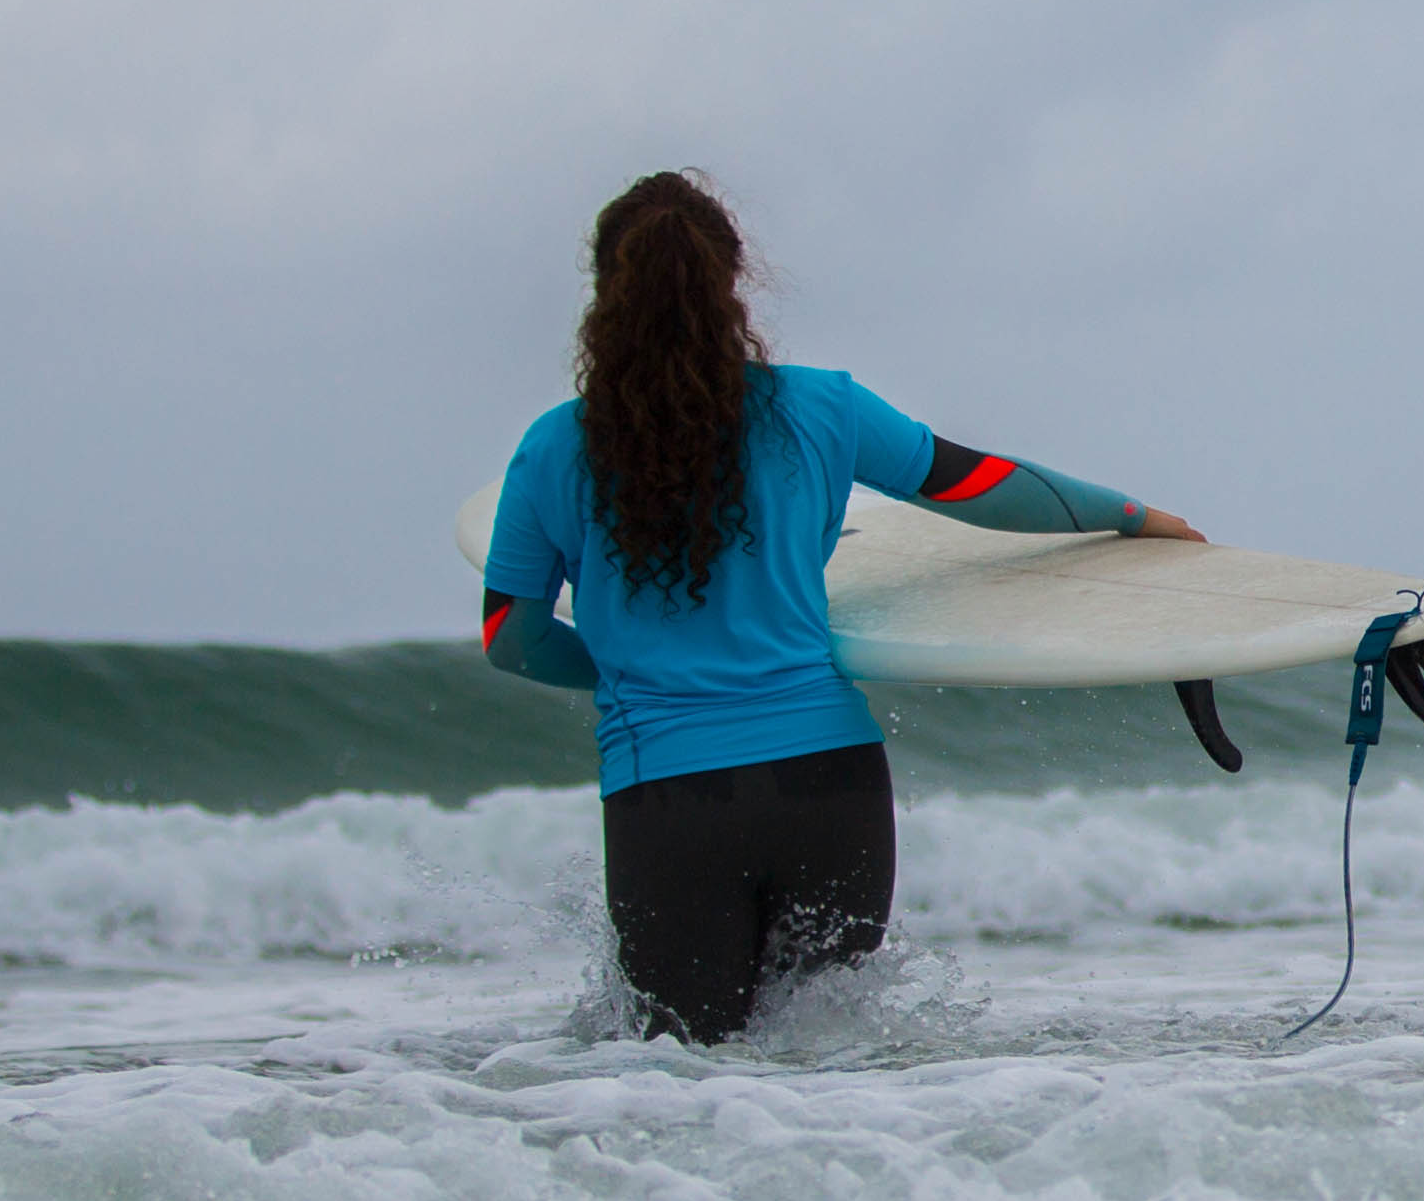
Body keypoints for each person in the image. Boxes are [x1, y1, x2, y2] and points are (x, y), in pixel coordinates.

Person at [480, 170, 1202, 1043]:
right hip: (830, 782)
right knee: (830, 1073)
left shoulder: (555, 445)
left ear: (605, 290)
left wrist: (635, 672)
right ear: (733, 282)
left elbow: (508, 638)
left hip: (668, 793)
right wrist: (1131, 516)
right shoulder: (822, 409)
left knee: (682, 1088)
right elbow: (979, 484)